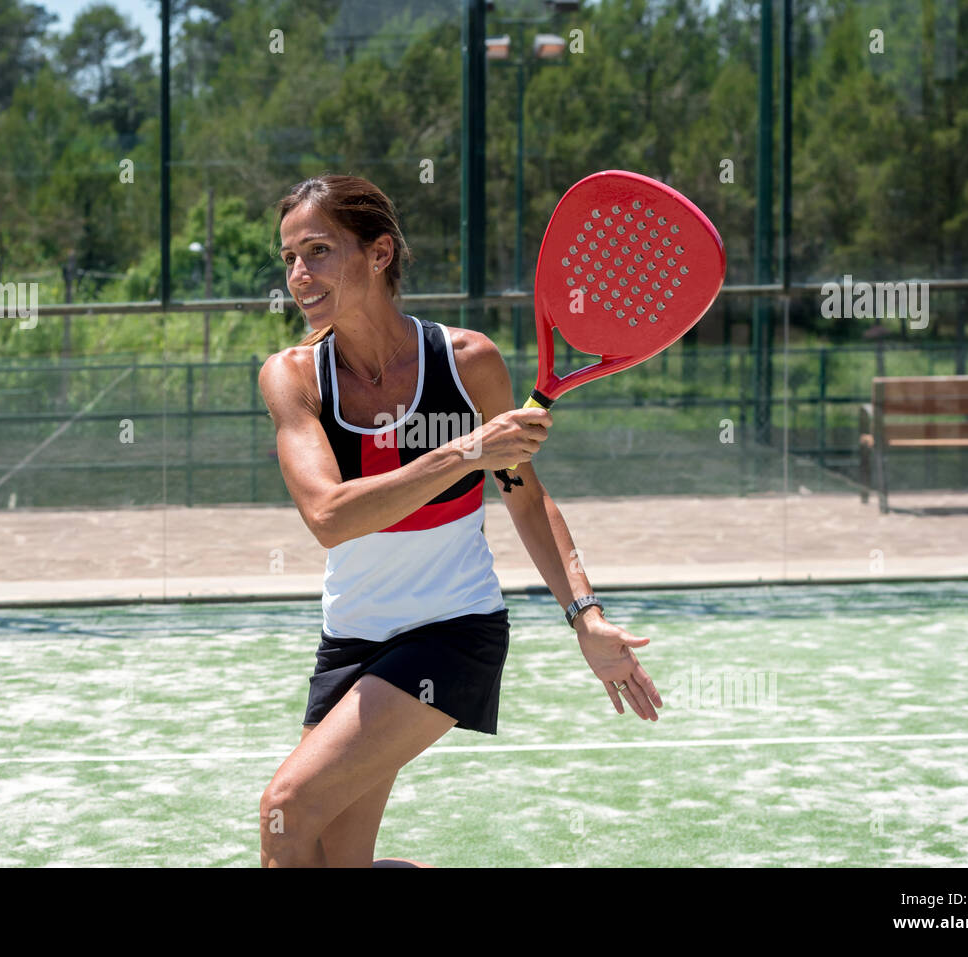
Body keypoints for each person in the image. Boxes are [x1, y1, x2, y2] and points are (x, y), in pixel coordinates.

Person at [257, 174, 663, 868]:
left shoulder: (466, 362)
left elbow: (524, 496)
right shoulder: (293, 377)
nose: (299, 274)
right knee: (324, 860)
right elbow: (329, 515)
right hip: (349, 638)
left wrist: (585, 615)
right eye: (290, 257)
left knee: (285, 811)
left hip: (452, 633)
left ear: (379, 253)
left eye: (319, 250)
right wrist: (467, 450)